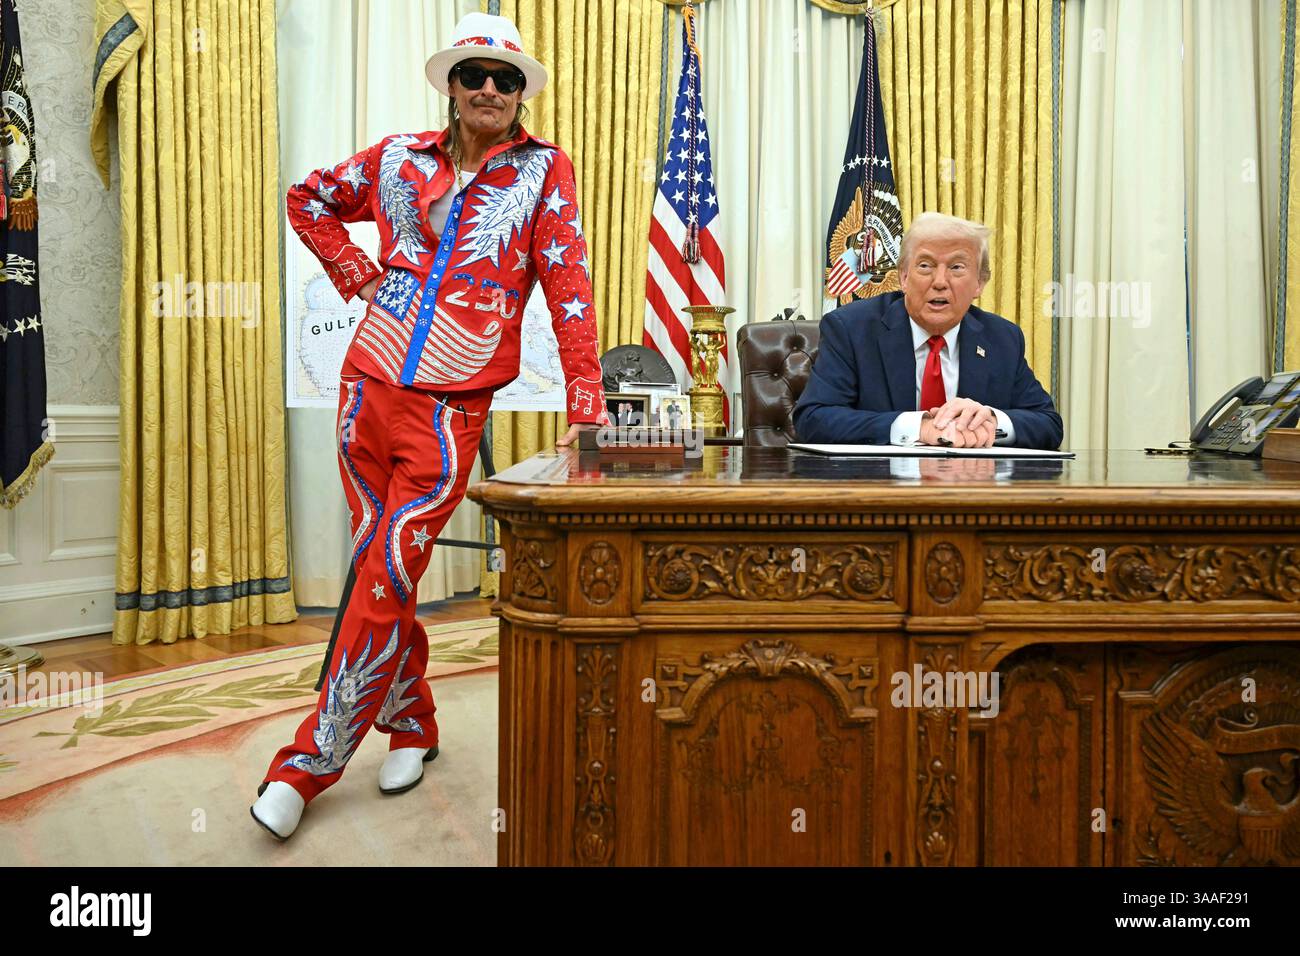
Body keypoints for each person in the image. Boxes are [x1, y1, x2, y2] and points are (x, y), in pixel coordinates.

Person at [251, 12, 609, 840]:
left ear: (522, 95)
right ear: (450, 84)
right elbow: (308, 201)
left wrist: (586, 405)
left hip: (451, 410)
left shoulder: (546, 173)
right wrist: (356, 271)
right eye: (474, 74)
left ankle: (307, 763)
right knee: (383, 571)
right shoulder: (393, 158)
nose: (489, 89)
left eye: (506, 79)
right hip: (365, 392)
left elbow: (568, 288)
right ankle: (413, 725)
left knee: (381, 573)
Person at [793, 212, 1063, 450]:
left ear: (979, 283)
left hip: (973, 496)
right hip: (879, 495)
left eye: (957, 267)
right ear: (904, 277)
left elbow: (1048, 424)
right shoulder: (851, 329)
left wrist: (990, 421)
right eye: (925, 266)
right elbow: (814, 419)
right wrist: (918, 428)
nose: (940, 282)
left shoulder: (1002, 338)